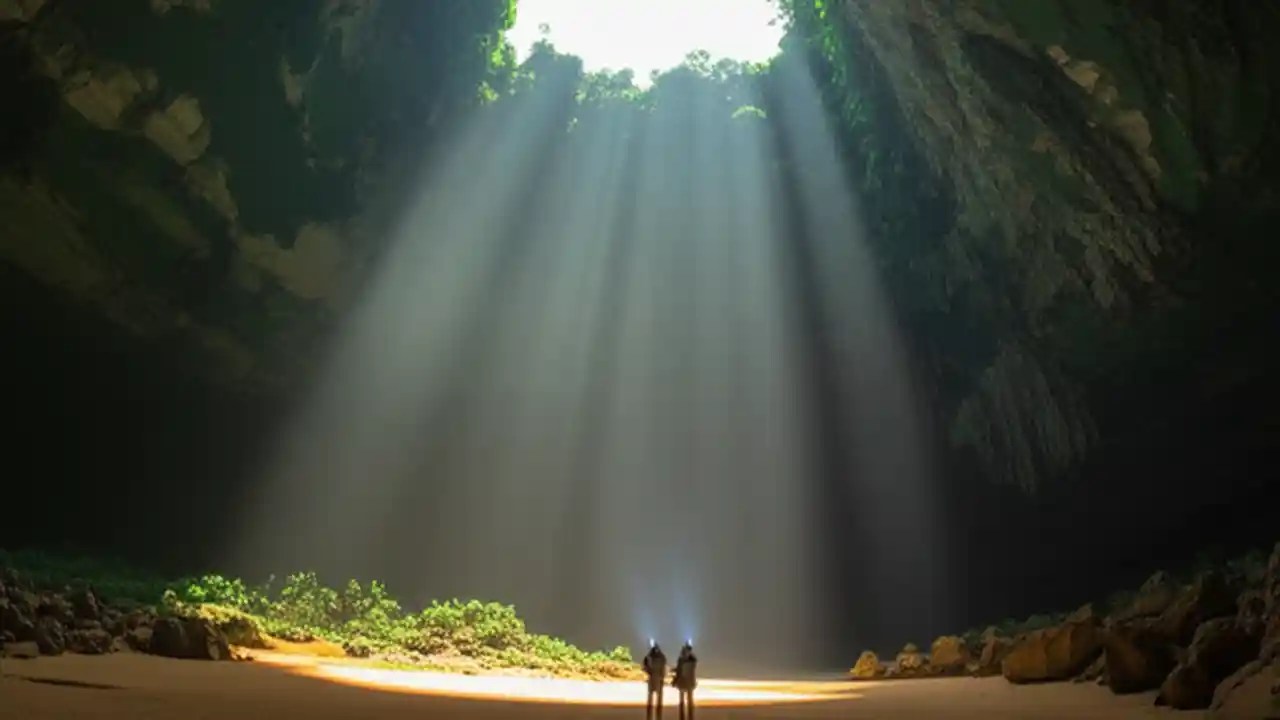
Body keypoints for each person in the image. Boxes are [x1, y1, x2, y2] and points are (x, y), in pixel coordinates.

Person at [643, 641, 668, 719]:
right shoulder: (662, 658)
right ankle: (658, 717)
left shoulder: (649, 657)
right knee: (658, 700)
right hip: (659, 680)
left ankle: (649, 717)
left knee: (650, 699)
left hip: (652, 679)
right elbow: (663, 668)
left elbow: (645, 667)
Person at [673, 640, 698, 720]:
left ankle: (687, 717)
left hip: (685, 683)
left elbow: (679, 670)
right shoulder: (691, 660)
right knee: (685, 702)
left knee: (687, 701)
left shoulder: (687, 660)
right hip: (686, 683)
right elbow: (679, 670)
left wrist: (675, 679)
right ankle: (685, 717)